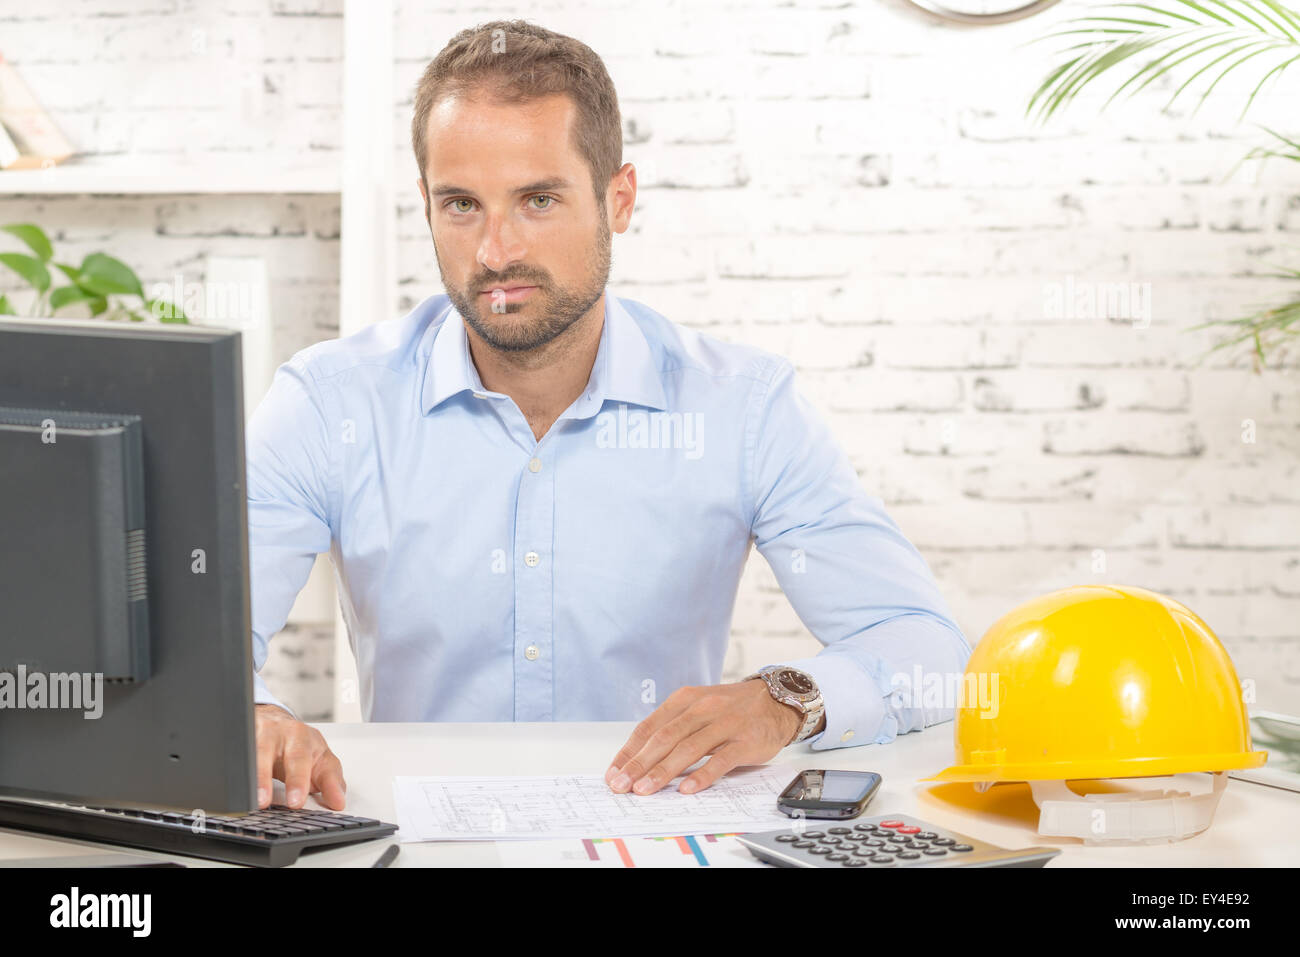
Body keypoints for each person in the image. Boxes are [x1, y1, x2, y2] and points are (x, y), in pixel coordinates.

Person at [248, 19, 971, 811]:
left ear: (617, 200)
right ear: (424, 204)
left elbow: (928, 648)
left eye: (538, 200)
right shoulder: (330, 402)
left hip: (655, 837)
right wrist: (247, 713)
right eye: (461, 204)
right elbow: (191, 649)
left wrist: (783, 699)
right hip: (417, 839)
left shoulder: (742, 406)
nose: (495, 251)